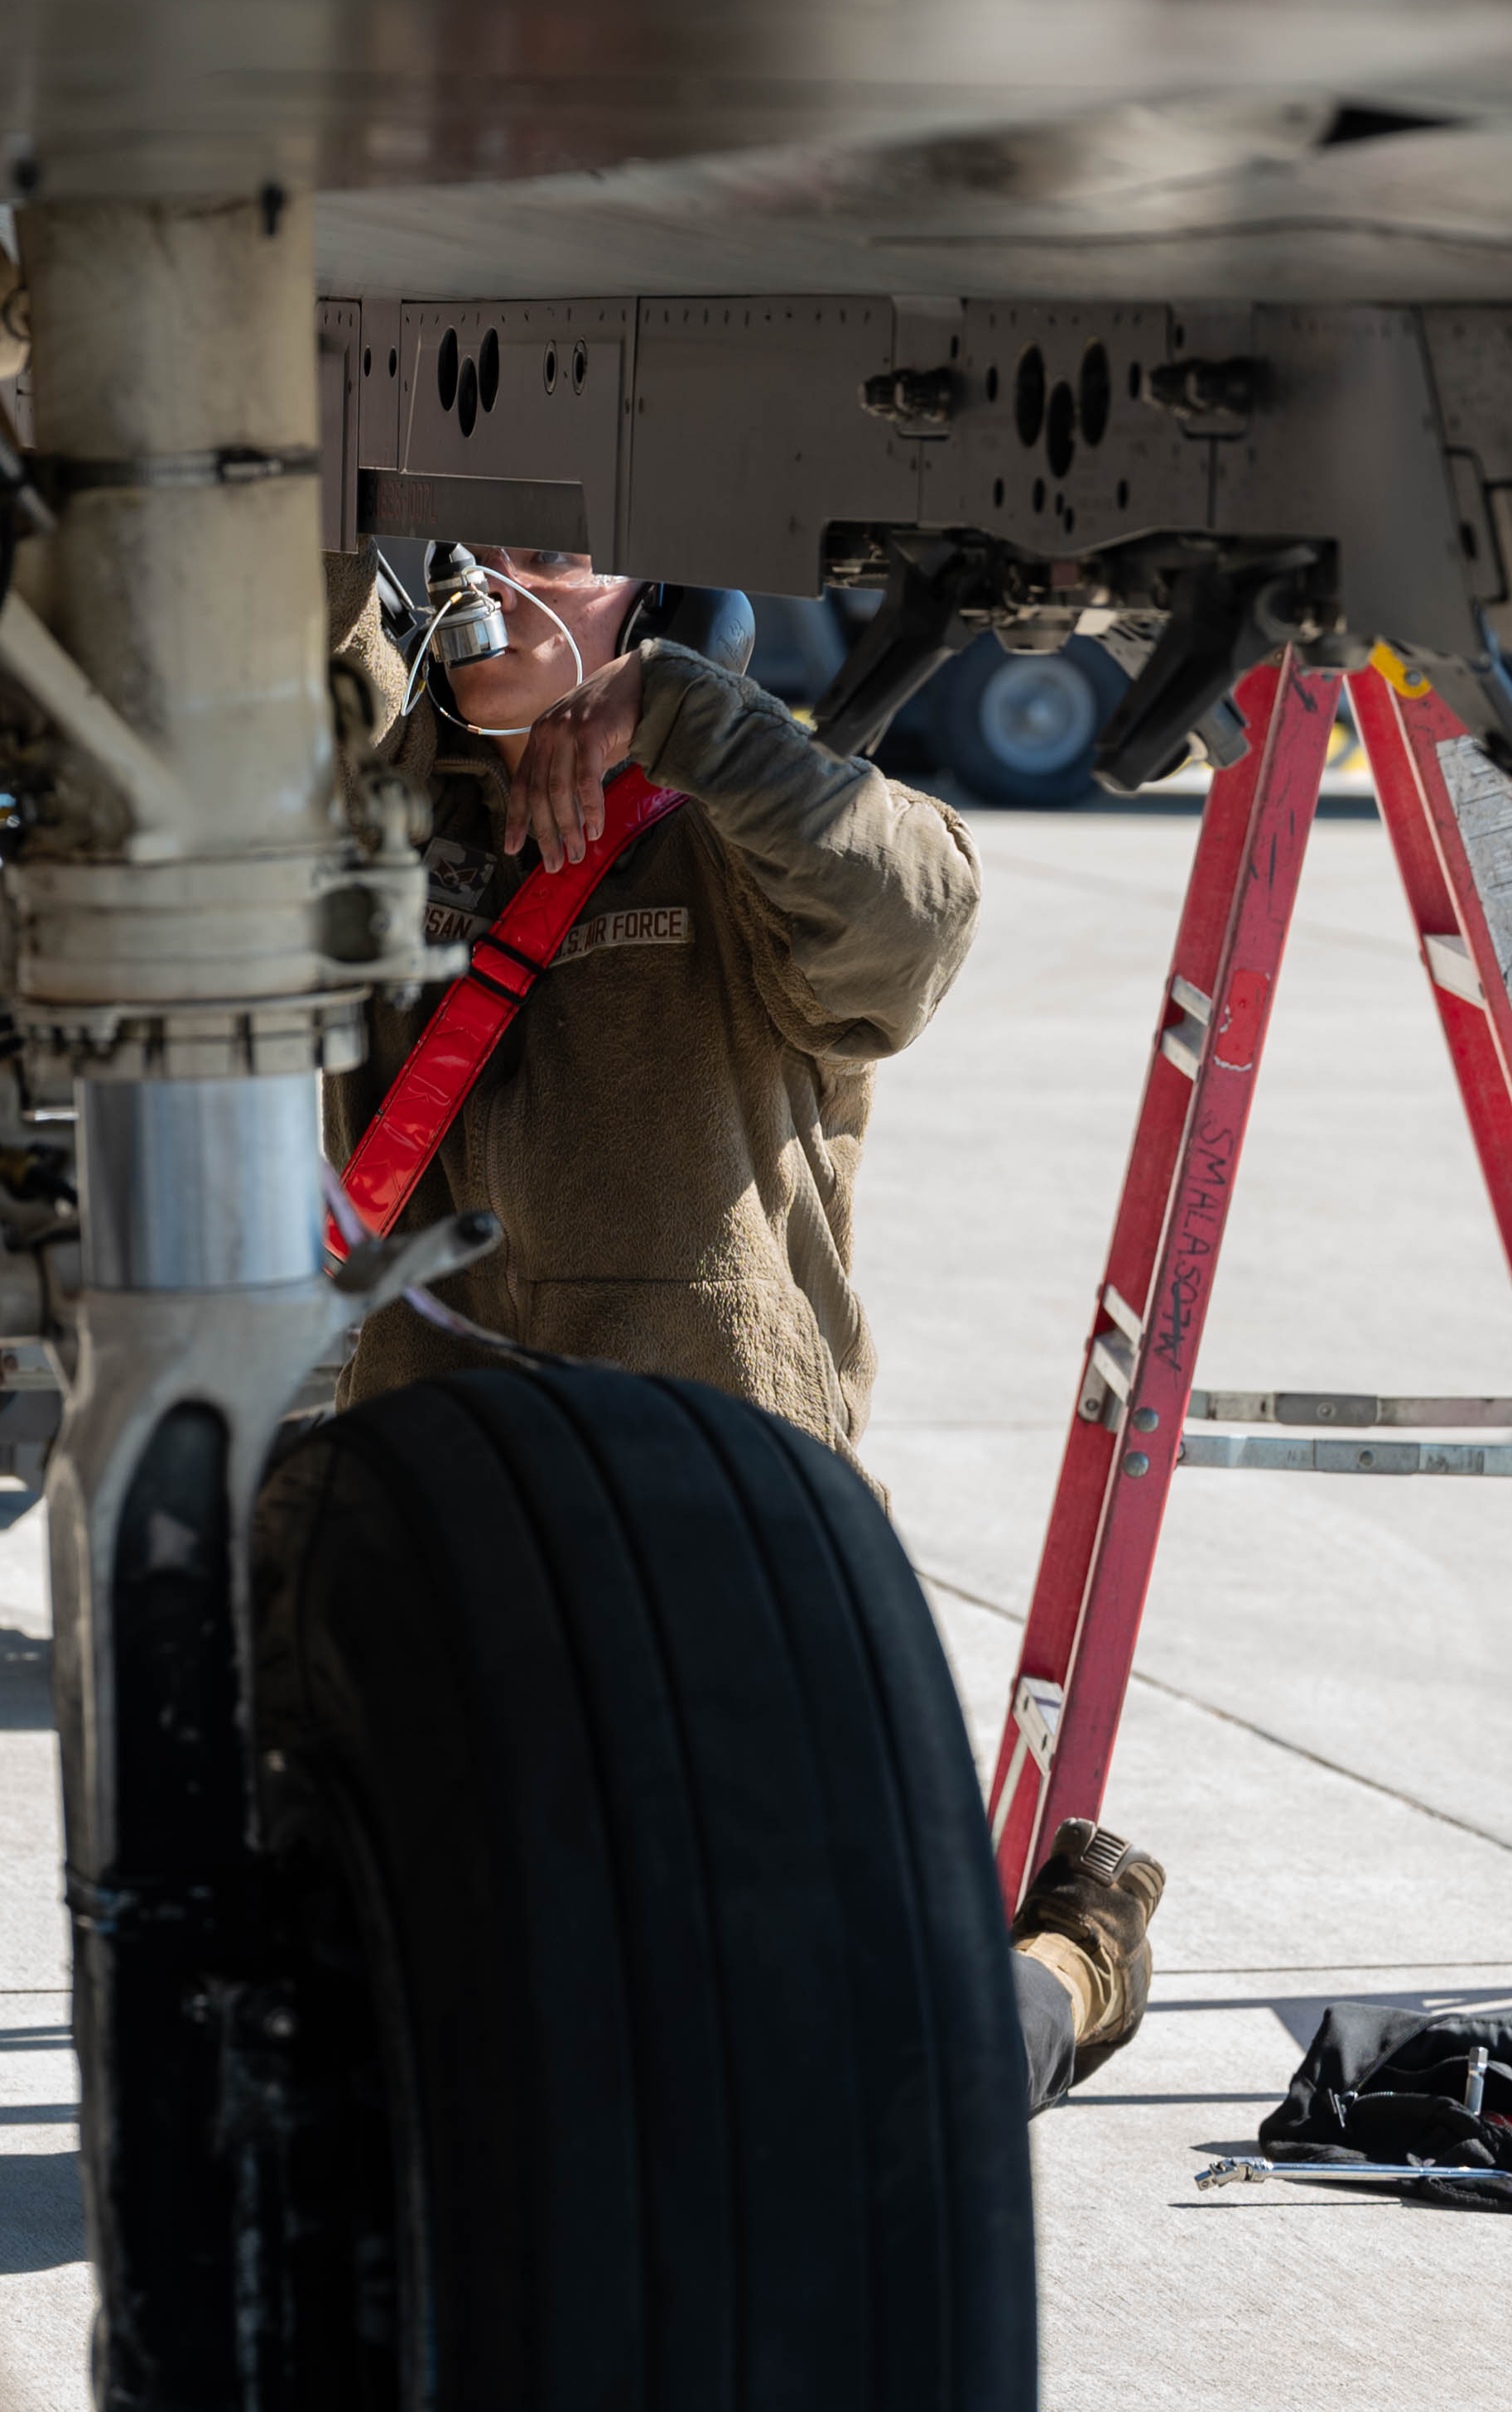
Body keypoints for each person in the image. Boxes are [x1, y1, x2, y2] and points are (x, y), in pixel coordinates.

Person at [327, 542, 1163, 2111]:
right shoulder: (377, 798)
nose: (498, 579)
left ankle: (1070, 1969)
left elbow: (914, 927)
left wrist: (684, 724)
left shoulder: (736, 814)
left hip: (725, 1530)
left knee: (865, 2082)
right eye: (472, 544)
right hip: (456, 1523)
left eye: (556, 554)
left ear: (642, 594)